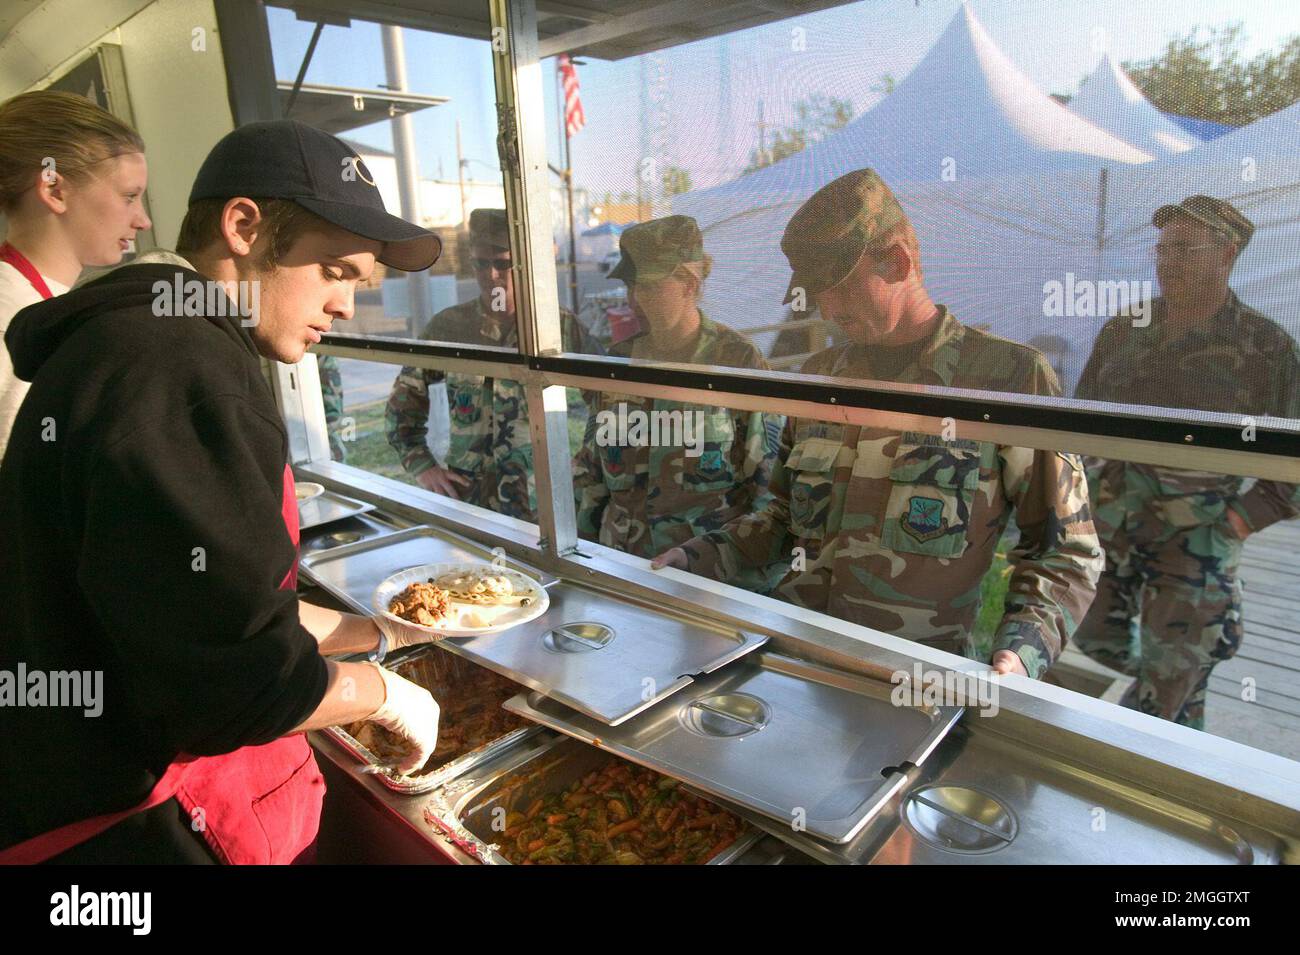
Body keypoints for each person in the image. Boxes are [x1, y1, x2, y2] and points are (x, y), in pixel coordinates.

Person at [0, 120, 446, 864]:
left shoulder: (131, 338)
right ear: (243, 226)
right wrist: (384, 692)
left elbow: (200, 599)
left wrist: (381, 635)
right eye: (335, 270)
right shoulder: (183, 367)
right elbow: (243, 687)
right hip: (126, 832)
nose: (346, 307)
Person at [653, 169, 1102, 678]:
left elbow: (1064, 550)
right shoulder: (822, 376)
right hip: (794, 660)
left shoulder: (1007, 378)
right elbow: (783, 518)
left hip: (915, 678)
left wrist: (1022, 651)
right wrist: (698, 557)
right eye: (816, 291)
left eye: (840, 288)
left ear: (899, 261)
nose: (827, 308)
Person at [1073, 195, 1300, 729]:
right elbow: (1080, 419)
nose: (1166, 260)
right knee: (1093, 639)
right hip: (1110, 528)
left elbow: (1295, 456)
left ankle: (1161, 731)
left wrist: (1238, 522)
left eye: (1184, 249)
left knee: (1171, 678)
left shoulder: (1266, 348)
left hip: (1196, 542)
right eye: (1162, 248)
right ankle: (1173, 691)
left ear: (1225, 254)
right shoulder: (1126, 328)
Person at [571, 215, 786, 592]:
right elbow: (591, 477)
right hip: (623, 574)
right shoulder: (618, 363)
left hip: (710, 584)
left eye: (649, 286)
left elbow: (770, 496)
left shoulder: (736, 362)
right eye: (630, 285)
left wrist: (712, 561)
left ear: (689, 283)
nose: (633, 300)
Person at [385, 208, 598, 521]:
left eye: (503, 264)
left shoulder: (558, 328)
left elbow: (608, 403)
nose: (492, 275)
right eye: (481, 263)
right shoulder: (450, 328)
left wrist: (581, 466)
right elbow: (402, 408)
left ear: (524, 266)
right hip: (469, 500)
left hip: (539, 502)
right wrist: (424, 467)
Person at [0, 90, 151, 459]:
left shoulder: (42, 303)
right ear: (54, 189)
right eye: (129, 196)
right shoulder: (11, 319)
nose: (143, 220)